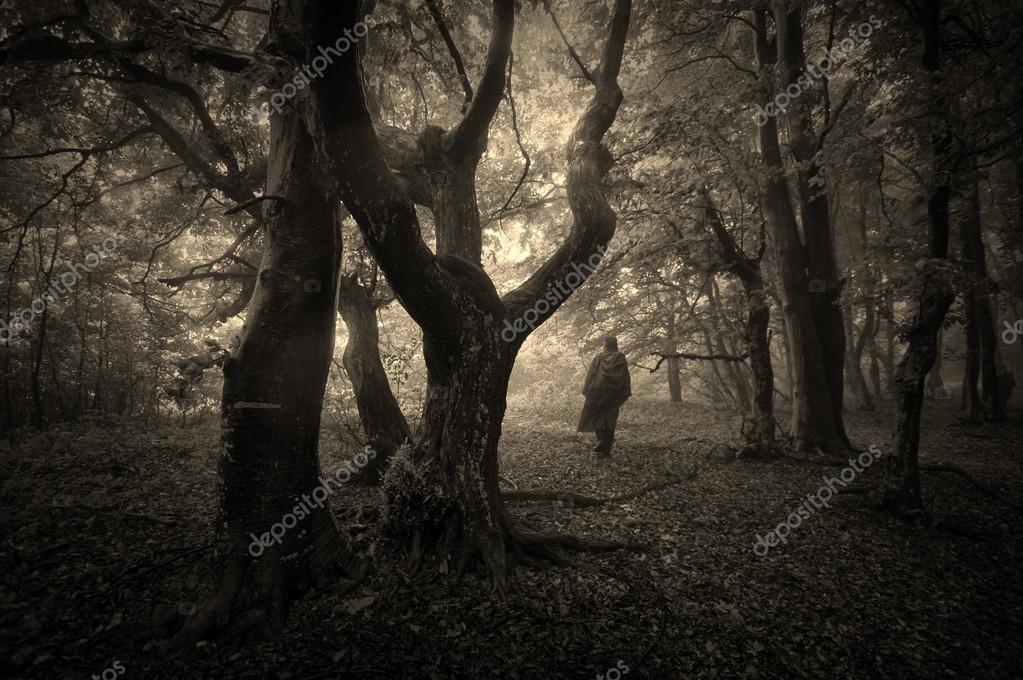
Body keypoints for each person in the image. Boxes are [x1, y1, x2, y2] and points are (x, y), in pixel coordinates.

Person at [577, 336, 631, 456]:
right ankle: (606, 448)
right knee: (611, 417)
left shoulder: (598, 358)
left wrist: (587, 391)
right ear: (615, 344)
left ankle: (602, 442)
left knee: (598, 416)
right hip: (614, 393)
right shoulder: (620, 357)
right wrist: (625, 391)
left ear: (605, 345)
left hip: (598, 392)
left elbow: (591, 374)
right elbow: (625, 375)